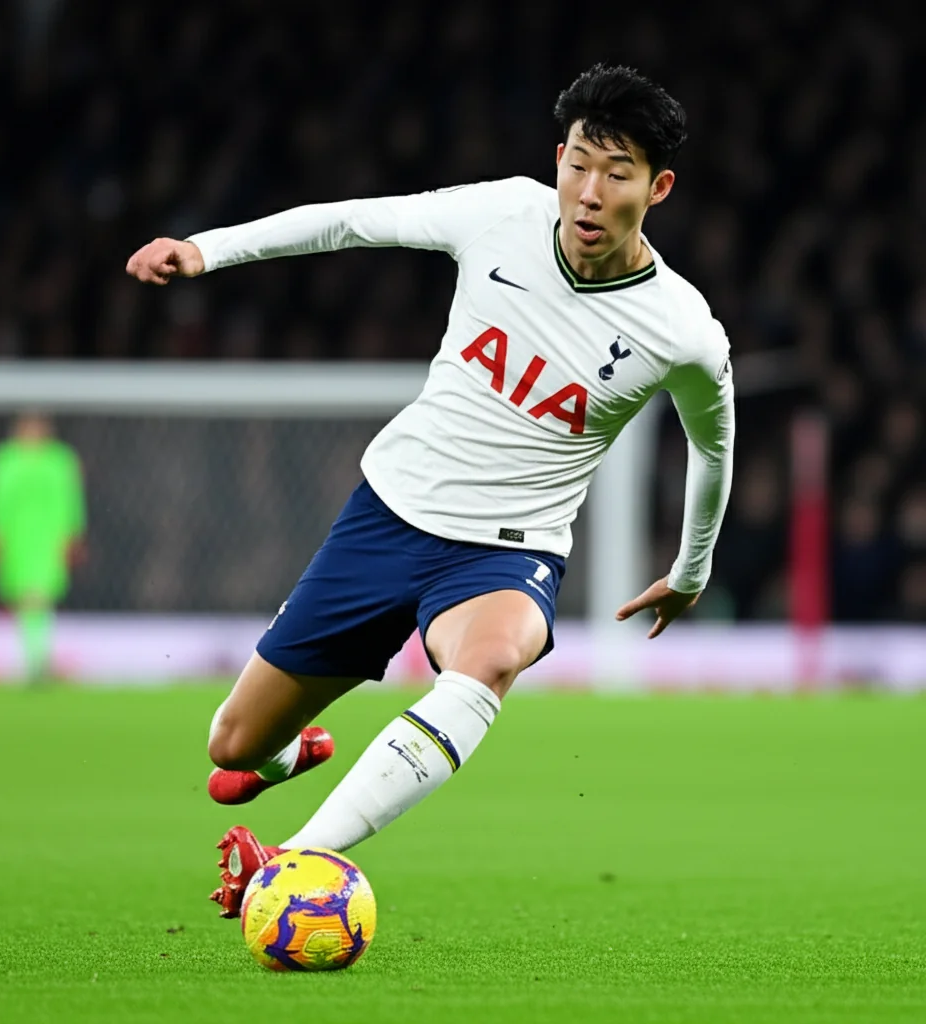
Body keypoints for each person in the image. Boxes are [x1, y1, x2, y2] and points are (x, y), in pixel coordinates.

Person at [126, 63, 735, 917]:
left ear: (659, 186)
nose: (590, 194)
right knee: (233, 744)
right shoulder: (502, 215)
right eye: (579, 165)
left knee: (488, 661)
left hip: (506, 553)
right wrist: (207, 249)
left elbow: (713, 448)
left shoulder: (682, 331)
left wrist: (692, 569)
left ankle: (294, 863)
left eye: (618, 173)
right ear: (558, 157)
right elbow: (348, 222)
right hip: (387, 517)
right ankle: (288, 757)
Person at [0, 412, 87, 680]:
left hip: (49, 536)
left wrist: (74, 532)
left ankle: (36, 660)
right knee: (26, 598)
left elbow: (71, 498)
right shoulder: (3, 459)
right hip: (14, 537)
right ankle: (35, 658)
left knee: (38, 596)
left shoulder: (59, 460)